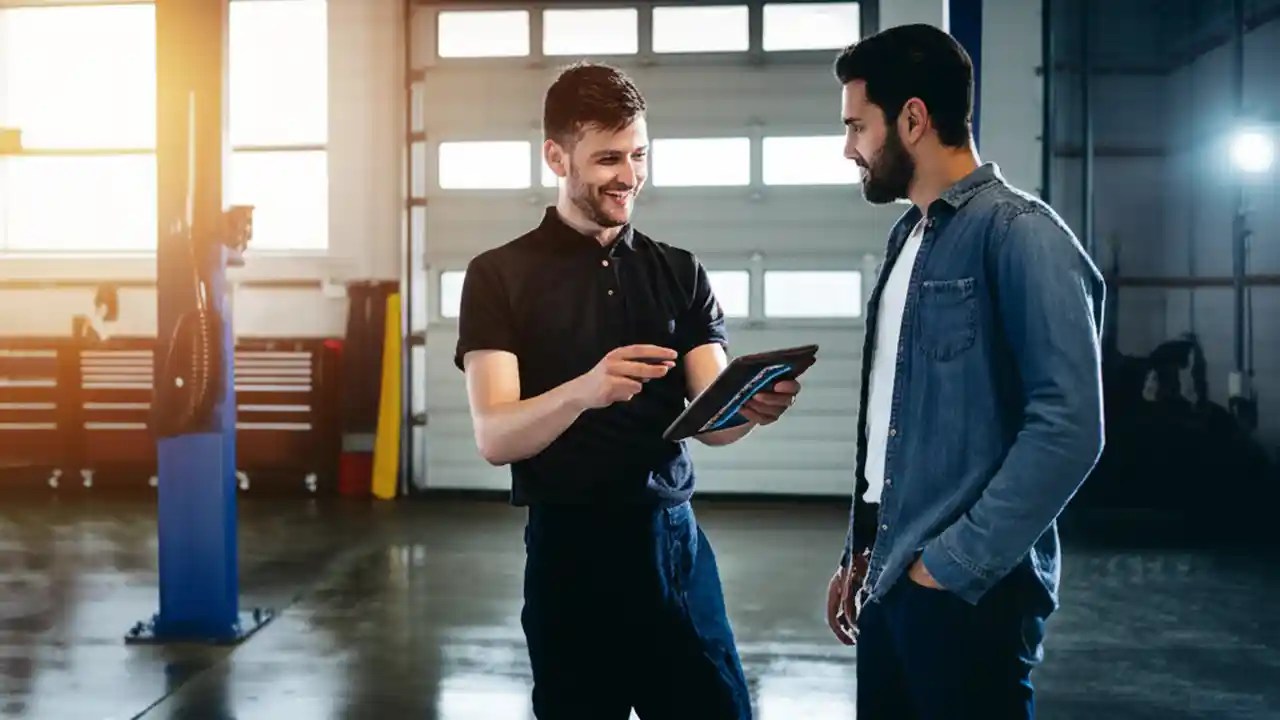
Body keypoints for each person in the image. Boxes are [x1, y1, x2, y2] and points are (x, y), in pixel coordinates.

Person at [455, 62, 801, 720]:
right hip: (571, 557)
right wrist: (586, 389)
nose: (630, 175)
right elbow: (495, 436)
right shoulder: (499, 276)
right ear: (556, 156)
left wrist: (750, 409)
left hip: (674, 549)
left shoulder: (679, 272)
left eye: (639, 154)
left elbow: (714, 419)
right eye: (609, 158)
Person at [821, 24, 1106, 719]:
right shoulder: (906, 237)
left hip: (970, 601)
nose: (849, 148)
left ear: (913, 119)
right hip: (890, 587)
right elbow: (896, 415)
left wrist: (948, 567)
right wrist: (863, 549)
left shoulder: (1022, 236)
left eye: (859, 126)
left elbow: (1069, 428)